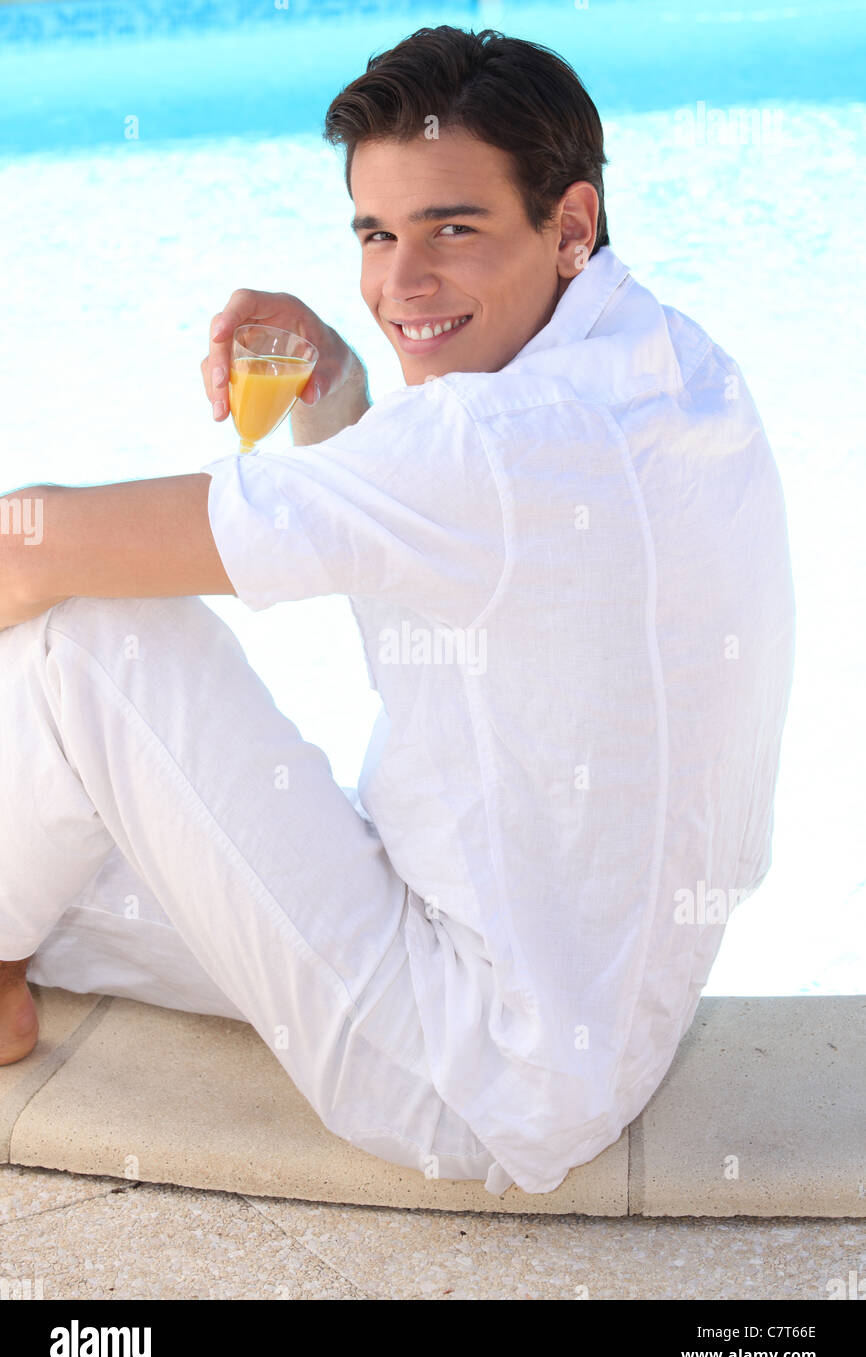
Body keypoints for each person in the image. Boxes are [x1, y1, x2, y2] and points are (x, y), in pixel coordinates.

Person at [0, 26, 795, 1196]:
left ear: (569, 226)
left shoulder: (492, 444)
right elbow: (453, 558)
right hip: (603, 1008)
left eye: (451, 230)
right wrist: (338, 386)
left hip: (465, 1070)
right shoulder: (668, 364)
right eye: (376, 233)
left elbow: (35, 542)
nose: (398, 284)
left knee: (79, 639)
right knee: (67, 847)